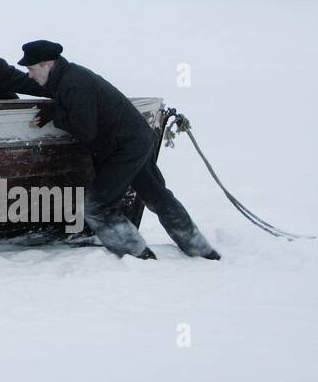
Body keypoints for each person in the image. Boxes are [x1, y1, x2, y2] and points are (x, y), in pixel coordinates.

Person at [21, 39, 220, 261]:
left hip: (124, 148)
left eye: (31, 68)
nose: (30, 75)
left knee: (95, 205)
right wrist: (55, 112)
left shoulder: (73, 83)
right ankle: (201, 250)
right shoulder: (69, 77)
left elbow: (85, 130)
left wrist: (56, 116)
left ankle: (136, 256)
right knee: (156, 196)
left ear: (47, 64)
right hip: (137, 139)